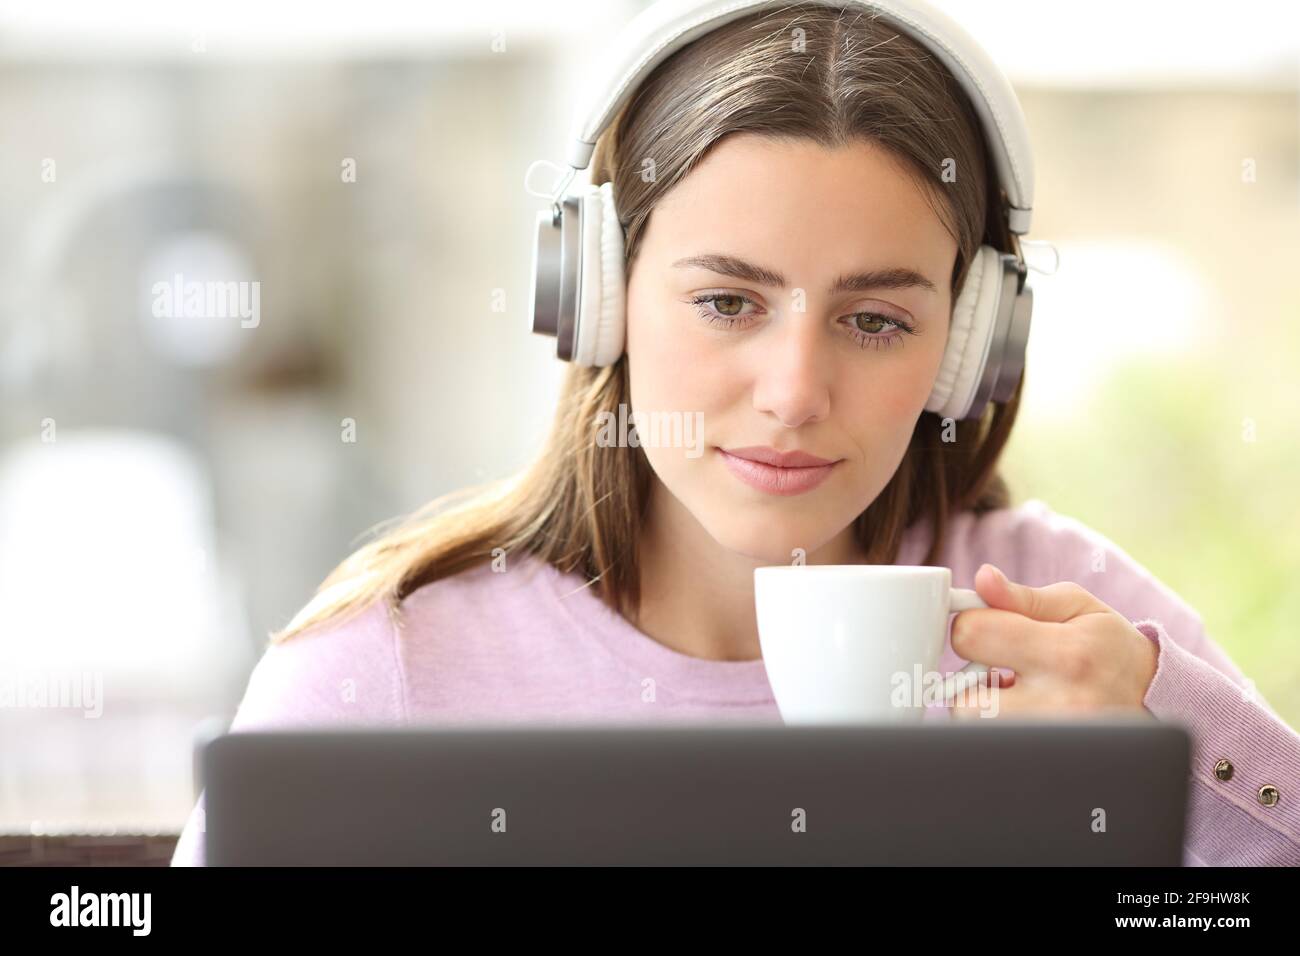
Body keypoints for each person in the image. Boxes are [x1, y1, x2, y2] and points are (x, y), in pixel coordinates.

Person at [172, 0, 1300, 866]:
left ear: (968, 344)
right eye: (726, 302)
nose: (795, 391)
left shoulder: (1067, 622)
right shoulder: (388, 670)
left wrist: (1177, 738)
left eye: (874, 318)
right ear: (597, 298)